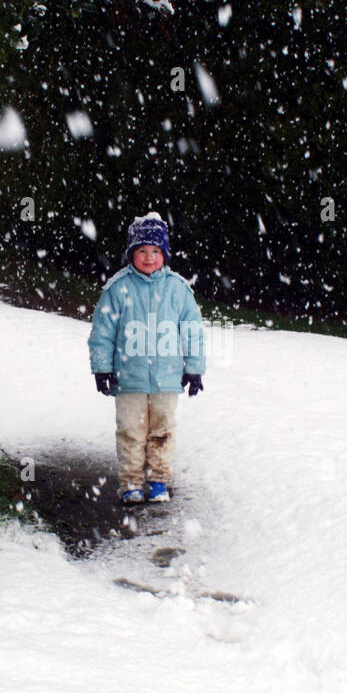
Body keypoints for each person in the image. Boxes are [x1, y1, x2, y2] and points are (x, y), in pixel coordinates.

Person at [88, 211, 205, 504]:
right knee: (131, 431)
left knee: (162, 430)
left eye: (155, 251)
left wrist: (194, 369)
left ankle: (159, 481)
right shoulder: (117, 288)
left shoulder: (178, 289)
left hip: (167, 377)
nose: (149, 257)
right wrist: (102, 367)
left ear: (164, 254)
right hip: (129, 378)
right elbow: (103, 331)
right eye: (142, 251)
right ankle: (132, 483)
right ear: (131, 254)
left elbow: (192, 331)